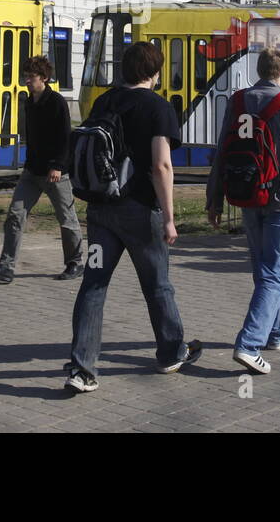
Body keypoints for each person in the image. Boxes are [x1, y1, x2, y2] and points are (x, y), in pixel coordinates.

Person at [65, 42, 202, 394]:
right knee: (158, 285)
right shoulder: (158, 107)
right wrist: (170, 218)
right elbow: (161, 166)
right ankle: (171, 352)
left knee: (93, 286)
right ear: (154, 73)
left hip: (100, 210)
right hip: (141, 210)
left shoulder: (104, 101)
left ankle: (82, 369)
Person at [206, 48, 280, 375]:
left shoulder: (238, 101)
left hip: (245, 196)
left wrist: (214, 199)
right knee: (276, 274)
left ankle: (275, 332)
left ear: (259, 70)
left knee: (265, 270)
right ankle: (249, 343)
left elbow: (222, 151)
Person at [0, 55, 84, 284]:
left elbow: (65, 138)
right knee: (15, 215)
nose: (26, 80)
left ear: (44, 78)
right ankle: (6, 266)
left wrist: (57, 165)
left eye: (31, 77)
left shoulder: (56, 102)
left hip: (56, 174)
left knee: (67, 219)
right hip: (32, 171)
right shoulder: (29, 101)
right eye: (25, 76)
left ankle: (75, 262)